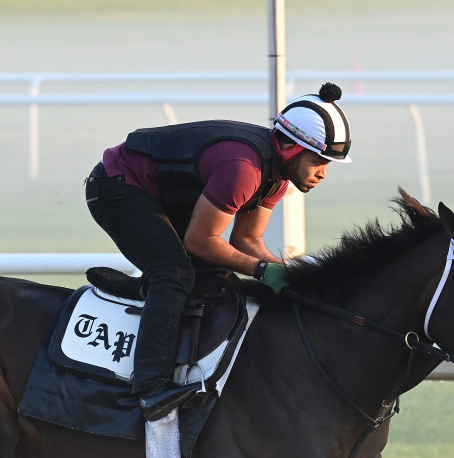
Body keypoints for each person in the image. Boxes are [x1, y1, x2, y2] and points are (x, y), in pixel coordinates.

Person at [85, 82, 353, 422]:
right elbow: (201, 241)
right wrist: (259, 271)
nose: (323, 173)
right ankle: (150, 388)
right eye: (318, 160)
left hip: (162, 194)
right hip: (117, 185)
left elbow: (247, 241)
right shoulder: (244, 169)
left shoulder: (277, 179)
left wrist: (290, 275)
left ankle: (146, 291)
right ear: (289, 148)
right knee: (175, 273)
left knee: (214, 276)